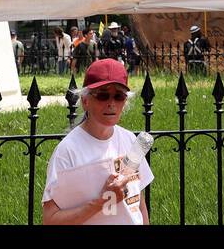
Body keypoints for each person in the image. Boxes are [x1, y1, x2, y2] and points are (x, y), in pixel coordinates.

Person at [40, 59, 154, 225]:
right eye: (102, 95)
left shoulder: (130, 140)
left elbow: (138, 202)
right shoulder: (67, 151)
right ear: (85, 101)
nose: (111, 103)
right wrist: (102, 201)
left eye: (119, 96)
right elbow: (50, 220)